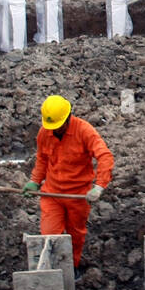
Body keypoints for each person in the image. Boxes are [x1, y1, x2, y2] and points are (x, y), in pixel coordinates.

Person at [24, 95, 114, 268]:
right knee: (49, 235)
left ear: (68, 117)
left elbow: (105, 156)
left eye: (58, 127)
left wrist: (99, 186)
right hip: (52, 193)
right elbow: (42, 158)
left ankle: (72, 268)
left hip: (77, 195)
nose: (54, 130)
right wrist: (35, 181)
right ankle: (51, 271)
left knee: (75, 236)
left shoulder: (84, 131)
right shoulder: (45, 132)